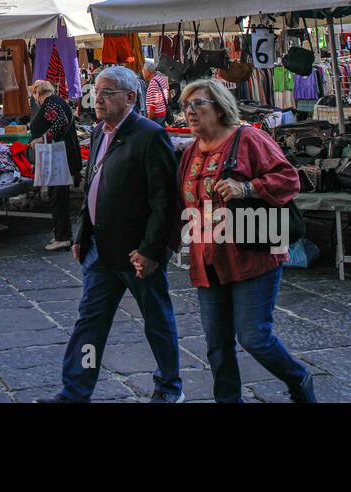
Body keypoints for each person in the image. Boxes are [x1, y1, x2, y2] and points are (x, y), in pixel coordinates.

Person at [44, 66, 182, 403]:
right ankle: (76, 390)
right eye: (97, 91)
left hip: (138, 253)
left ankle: (169, 387)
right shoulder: (99, 132)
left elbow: (164, 201)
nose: (98, 99)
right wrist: (80, 234)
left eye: (107, 92)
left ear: (130, 97)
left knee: (156, 320)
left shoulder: (150, 135)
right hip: (100, 251)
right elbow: (94, 183)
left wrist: (151, 250)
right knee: (90, 324)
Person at [177, 78, 316, 403]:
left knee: (254, 336)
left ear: (221, 106)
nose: (190, 112)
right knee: (217, 344)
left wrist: (247, 188)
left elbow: (289, 178)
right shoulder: (189, 153)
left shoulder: (248, 138)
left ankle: (299, 378)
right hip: (207, 259)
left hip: (251, 254)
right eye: (186, 106)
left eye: (199, 104)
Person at [28, 78, 83, 252]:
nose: (35, 99)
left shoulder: (51, 102)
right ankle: (62, 234)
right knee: (57, 196)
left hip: (58, 157)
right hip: (60, 155)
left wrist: (42, 138)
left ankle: (63, 237)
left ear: (38, 92)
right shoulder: (57, 101)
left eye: (34, 94)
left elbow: (61, 122)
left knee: (58, 197)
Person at [142, 60, 170, 125]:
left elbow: (153, 105)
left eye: (144, 71)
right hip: (163, 112)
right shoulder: (160, 79)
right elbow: (167, 95)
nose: (142, 73)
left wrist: (148, 120)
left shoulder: (153, 83)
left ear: (149, 72)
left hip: (156, 116)